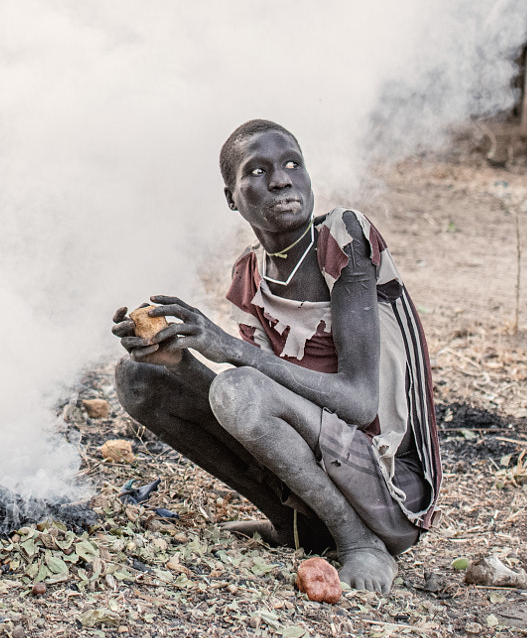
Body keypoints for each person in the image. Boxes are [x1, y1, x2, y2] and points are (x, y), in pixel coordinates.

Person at [111, 119, 440, 593]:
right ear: (232, 197)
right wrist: (176, 359)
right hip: (318, 470)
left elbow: (361, 402)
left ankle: (358, 542)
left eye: (292, 164)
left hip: (387, 488)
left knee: (238, 386)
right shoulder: (250, 274)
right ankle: (293, 526)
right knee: (139, 376)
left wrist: (227, 349)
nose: (282, 179)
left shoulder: (343, 237)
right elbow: (270, 400)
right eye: (258, 170)